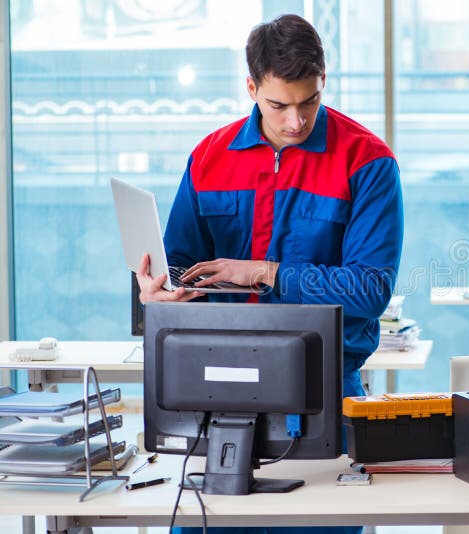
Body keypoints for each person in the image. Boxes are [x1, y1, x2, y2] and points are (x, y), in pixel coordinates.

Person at [136, 14, 403, 534]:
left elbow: (370, 290)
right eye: (279, 105)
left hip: (324, 389)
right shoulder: (208, 159)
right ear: (252, 87)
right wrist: (156, 290)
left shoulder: (367, 162)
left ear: (323, 81)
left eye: (310, 102)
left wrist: (263, 272)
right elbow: (175, 264)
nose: (297, 121)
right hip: (213, 384)